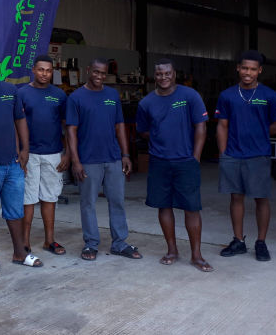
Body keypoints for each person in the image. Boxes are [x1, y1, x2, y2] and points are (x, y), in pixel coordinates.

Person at [137, 59, 212, 272]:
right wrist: (161, 138)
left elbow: (201, 127)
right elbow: (143, 130)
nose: (163, 78)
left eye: (167, 73)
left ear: (174, 74)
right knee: (164, 205)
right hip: (159, 161)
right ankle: (172, 250)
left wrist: (195, 157)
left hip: (186, 161)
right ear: (154, 76)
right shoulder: (146, 103)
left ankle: (196, 255)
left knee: (191, 207)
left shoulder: (190, 96)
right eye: (159, 74)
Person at [66, 58, 142, 261]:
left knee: (117, 201)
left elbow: (119, 126)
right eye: (96, 72)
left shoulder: (112, 95)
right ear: (88, 70)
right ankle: (90, 244)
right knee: (88, 203)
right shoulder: (76, 97)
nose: (99, 77)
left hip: (113, 158)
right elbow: (71, 131)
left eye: (103, 73)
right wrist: (75, 161)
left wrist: (125, 155)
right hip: (89, 160)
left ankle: (119, 243)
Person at [215, 50, 276, 261]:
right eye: (244, 68)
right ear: (238, 68)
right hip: (233, 155)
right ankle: (238, 241)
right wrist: (223, 153)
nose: (248, 72)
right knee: (236, 197)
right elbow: (222, 126)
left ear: (259, 71)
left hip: (258, 155)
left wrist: (259, 133)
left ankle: (261, 242)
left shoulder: (270, 95)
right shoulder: (227, 95)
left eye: (253, 69)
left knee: (261, 199)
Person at [0, 51, 42, 270]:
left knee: (15, 210)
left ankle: (19, 253)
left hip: (12, 163)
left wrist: (25, 149)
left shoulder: (10, 90)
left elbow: (20, 120)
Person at [16, 55, 70, 256]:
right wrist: (20, 151)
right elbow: (15, 124)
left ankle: (49, 241)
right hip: (29, 155)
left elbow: (68, 126)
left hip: (54, 154)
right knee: (28, 199)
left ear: (52, 71)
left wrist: (68, 153)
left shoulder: (59, 95)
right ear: (33, 70)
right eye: (41, 70)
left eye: (48, 70)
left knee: (50, 198)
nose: (44, 74)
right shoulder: (22, 93)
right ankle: (25, 242)